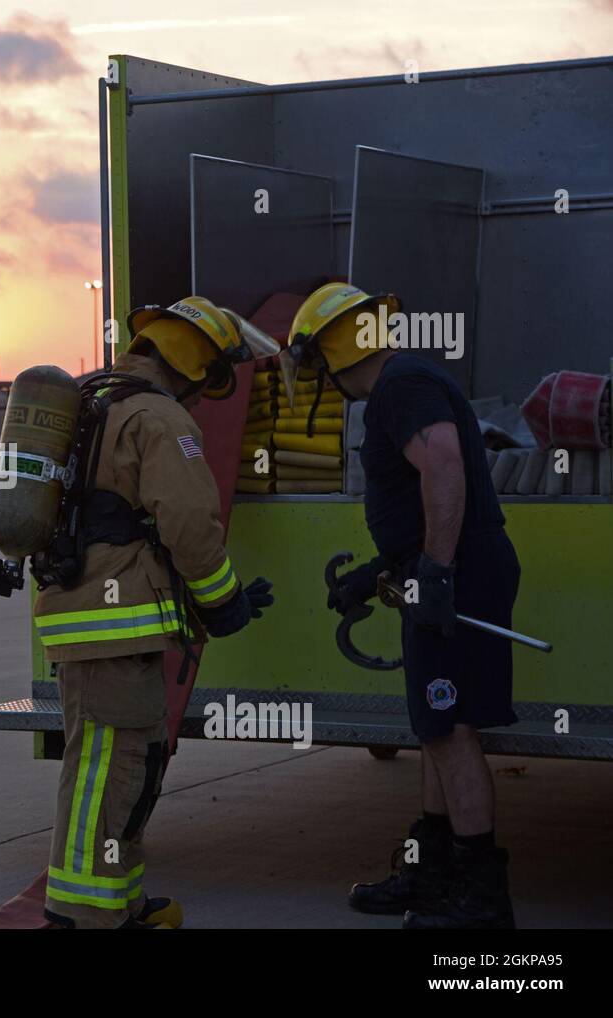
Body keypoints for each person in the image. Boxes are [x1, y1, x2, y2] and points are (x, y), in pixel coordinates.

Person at [34, 296, 276, 929]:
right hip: (114, 625)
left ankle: (120, 904)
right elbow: (190, 526)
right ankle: (81, 917)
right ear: (195, 365)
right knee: (110, 774)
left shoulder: (92, 403)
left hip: (91, 617)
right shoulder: (160, 418)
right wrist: (224, 603)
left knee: (124, 770)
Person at [284, 282, 519, 930]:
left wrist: (437, 571)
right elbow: (421, 498)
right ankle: (435, 873)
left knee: (452, 730)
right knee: (437, 727)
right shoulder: (404, 382)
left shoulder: (401, 386)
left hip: (458, 573)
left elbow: (443, 465)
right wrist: (382, 573)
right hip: (445, 568)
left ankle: (481, 903)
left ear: (329, 353)